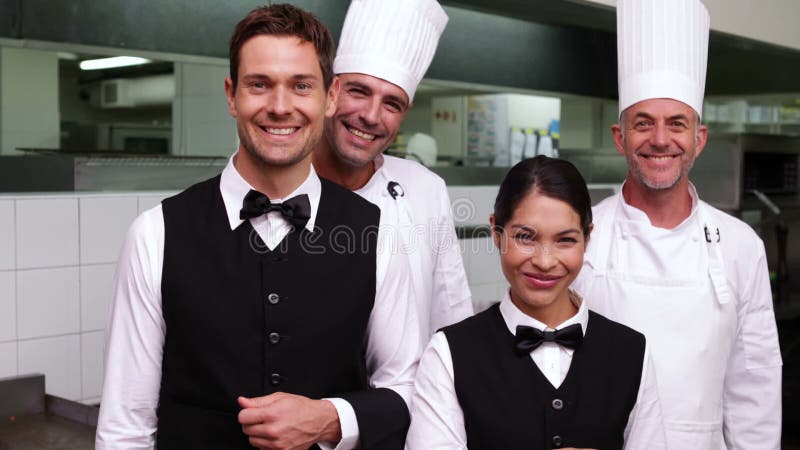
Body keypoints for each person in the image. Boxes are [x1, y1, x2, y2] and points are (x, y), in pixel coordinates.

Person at [95, 5, 421, 450]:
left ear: (330, 96)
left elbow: (405, 389)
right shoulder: (155, 234)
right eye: (259, 84)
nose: (280, 107)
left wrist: (330, 418)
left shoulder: (378, 234)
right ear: (232, 95)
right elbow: (125, 424)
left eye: (301, 86)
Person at [572, 0, 783, 448]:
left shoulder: (741, 245)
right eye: (643, 123)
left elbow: (756, 386)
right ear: (620, 136)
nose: (661, 139)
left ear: (698, 139)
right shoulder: (581, 238)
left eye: (677, 124)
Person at [407, 156, 665, 450]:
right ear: (496, 232)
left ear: (587, 237)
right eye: (525, 237)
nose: (544, 261)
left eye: (565, 240)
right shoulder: (448, 353)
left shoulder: (632, 352)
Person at [313, 0, 473, 337]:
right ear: (329, 91)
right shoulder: (282, 185)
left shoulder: (425, 189)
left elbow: (452, 312)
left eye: (392, 104)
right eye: (359, 91)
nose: (371, 116)